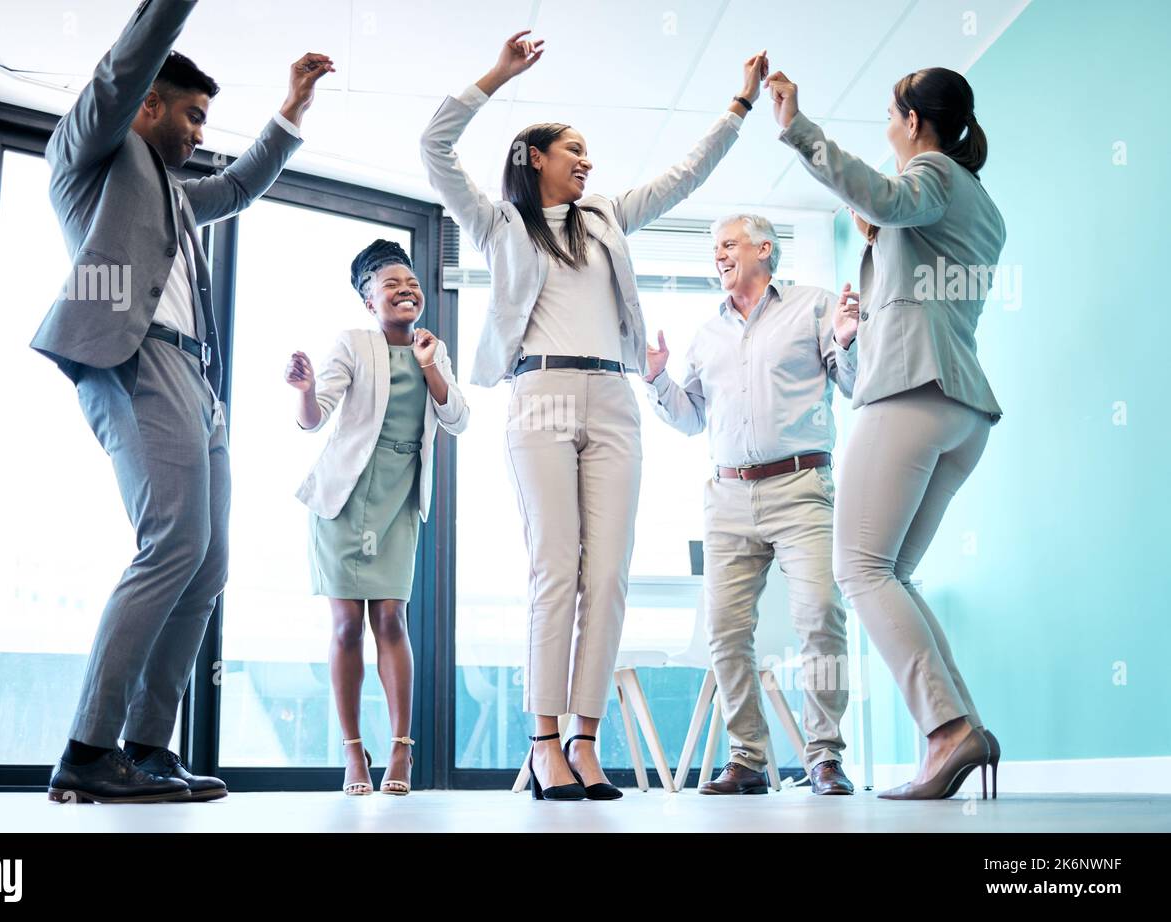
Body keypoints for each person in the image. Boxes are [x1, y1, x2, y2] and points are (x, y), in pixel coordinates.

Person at [421, 30, 766, 801]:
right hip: (538, 396)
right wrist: (497, 76)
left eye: (587, 152)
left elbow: (683, 176)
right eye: (571, 150)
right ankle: (543, 741)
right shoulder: (497, 223)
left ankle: (585, 738)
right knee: (556, 570)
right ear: (533, 158)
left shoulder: (607, 216)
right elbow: (434, 147)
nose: (586, 161)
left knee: (606, 578)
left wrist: (739, 106)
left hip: (614, 397)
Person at [34, 0, 333, 803]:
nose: (201, 133)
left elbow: (236, 187)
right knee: (171, 543)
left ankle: (145, 746)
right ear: (150, 105)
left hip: (198, 382)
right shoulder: (93, 155)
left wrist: (292, 110)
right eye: (194, 115)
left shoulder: (174, 195)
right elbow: (125, 64)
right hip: (135, 363)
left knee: (206, 563)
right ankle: (88, 750)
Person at [767, 64, 1005, 799]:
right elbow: (917, 250)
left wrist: (796, 128)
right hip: (960, 410)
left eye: (889, 116)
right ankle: (962, 729)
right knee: (889, 572)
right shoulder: (981, 202)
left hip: (909, 395)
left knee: (859, 570)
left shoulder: (929, 170)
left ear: (911, 122)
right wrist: (876, 245)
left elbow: (892, 192)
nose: (886, 129)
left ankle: (946, 732)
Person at [644, 213, 859, 795]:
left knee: (819, 615)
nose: (718, 255)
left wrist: (845, 340)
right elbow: (690, 418)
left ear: (765, 248)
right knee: (724, 630)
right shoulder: (706, 334)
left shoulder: (812, 306)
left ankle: (824, 756)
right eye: (714, 248)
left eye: (728, 244)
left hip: (800, 488)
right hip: (728, 495)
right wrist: (658, 381)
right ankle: (747, 760)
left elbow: (853, 384)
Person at [288, 241, 468, 796]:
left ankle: (399, 751)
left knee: (391, 620)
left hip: (399, 502)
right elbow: (314, 419)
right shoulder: (355, 343)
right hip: (344, 499)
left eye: (411, 284)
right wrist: (306, 391)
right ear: (370, 301)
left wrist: (430, 363)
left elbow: (457, 418)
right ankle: (352, 755)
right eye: (391, 285)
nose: (405, 290)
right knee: (346, 625)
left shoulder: (431, 349)